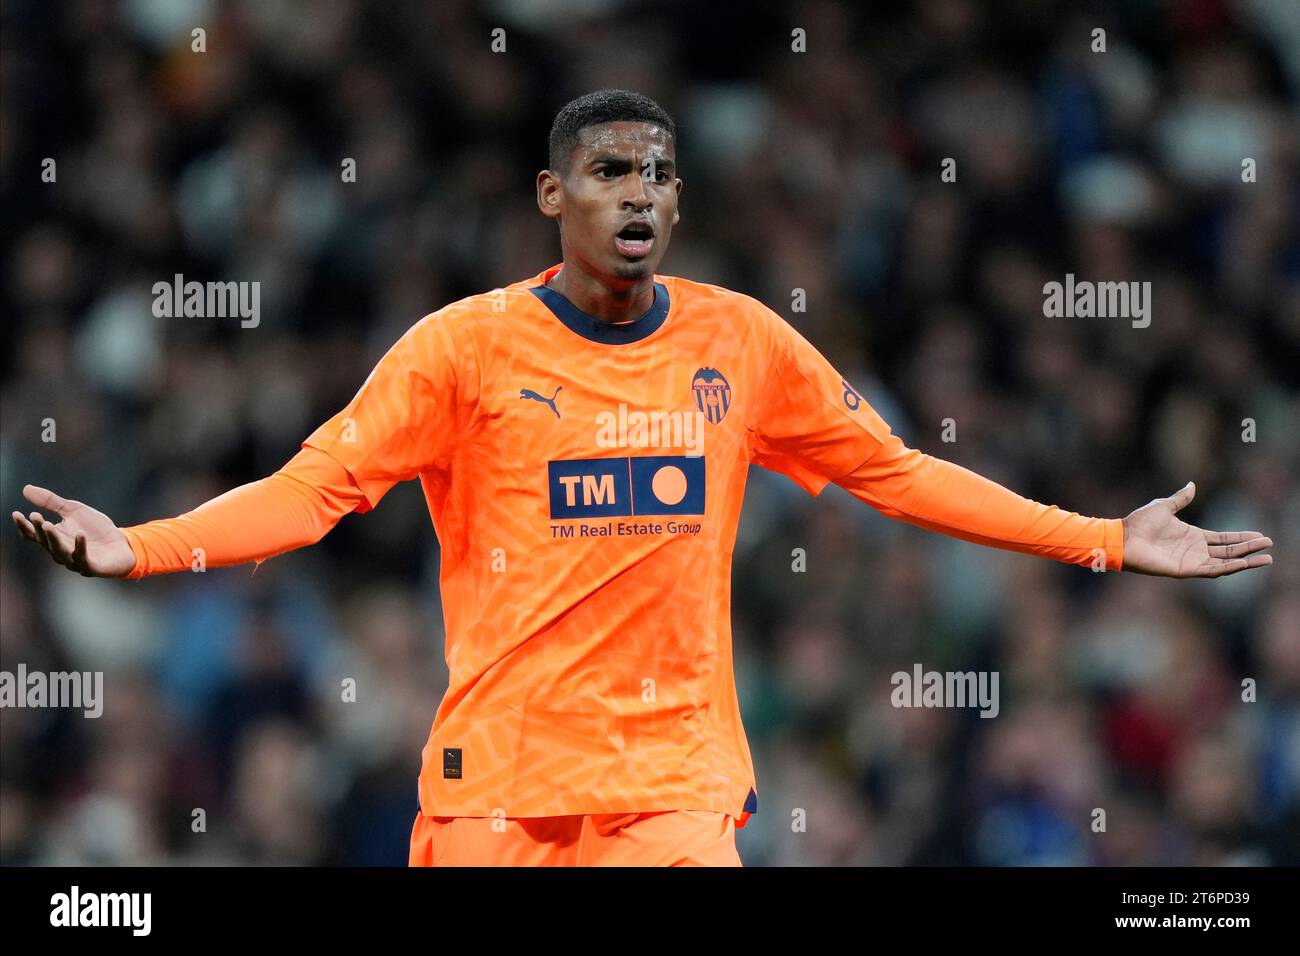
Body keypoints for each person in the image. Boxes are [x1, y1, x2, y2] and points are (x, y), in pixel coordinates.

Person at [12, 89, 1274, 867]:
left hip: (672, 793)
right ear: (553, 192)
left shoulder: (741, 342)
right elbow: (313, 487)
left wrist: (1103, 536)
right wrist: (150, 544)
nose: (642, 195)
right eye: (614, 172)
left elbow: (898, 476)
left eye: (661, 176)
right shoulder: (461, 350)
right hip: (495, 789)